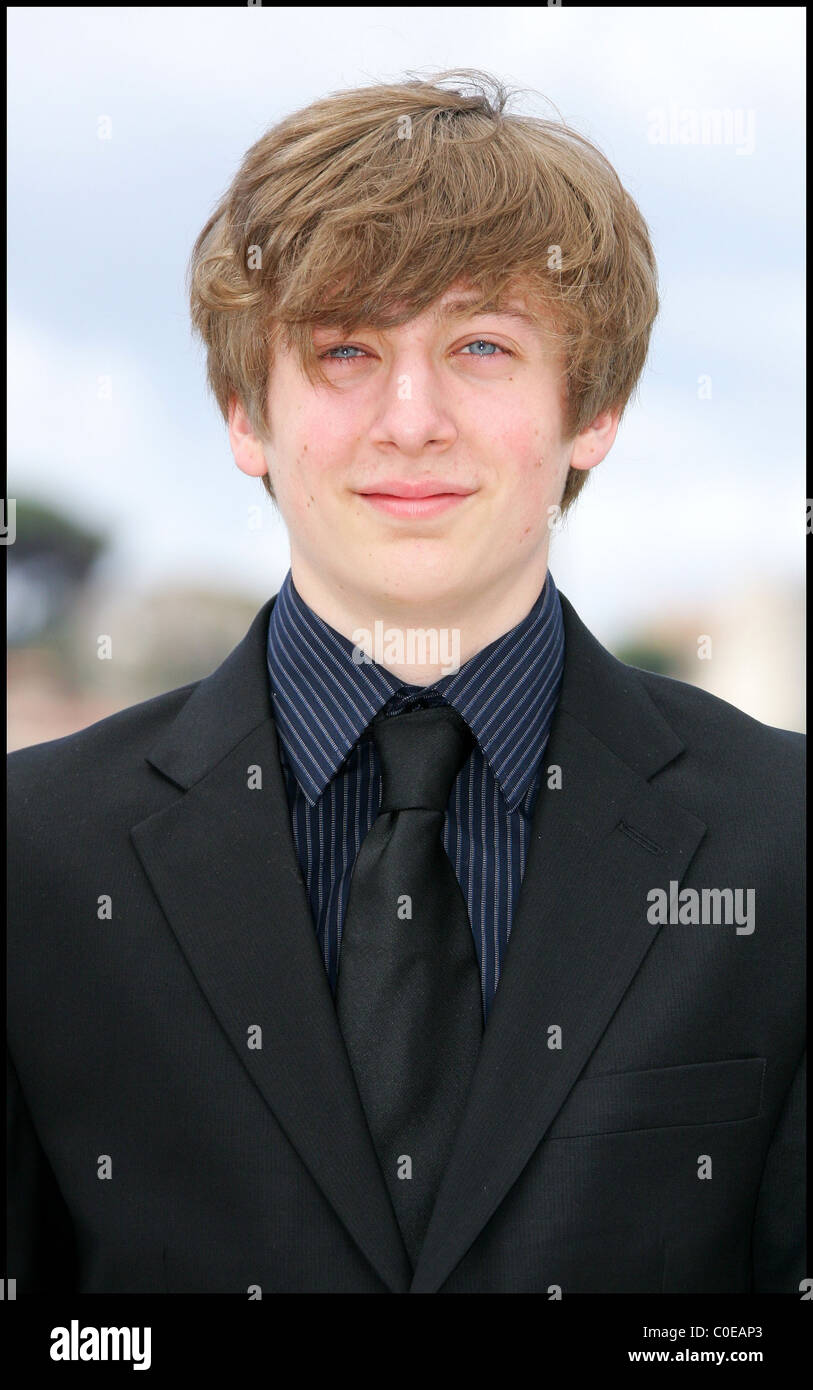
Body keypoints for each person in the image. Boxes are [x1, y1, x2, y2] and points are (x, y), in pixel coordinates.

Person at [7, 69, 804, 1295]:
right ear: (244, 411)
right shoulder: (33, 855)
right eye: (345, 348)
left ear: (590, 408)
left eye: (481, 344)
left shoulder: (786, 843)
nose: (411, 416)